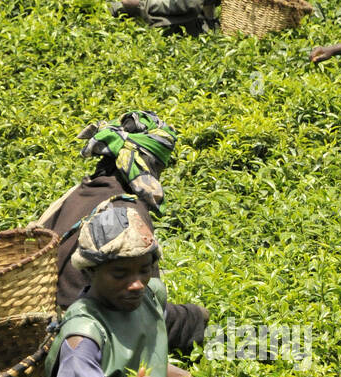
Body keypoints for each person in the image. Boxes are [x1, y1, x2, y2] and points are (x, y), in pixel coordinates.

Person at [46, 197, 221, 377]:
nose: (137, 283)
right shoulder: (83, 337)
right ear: (89, 271)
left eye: (144, 270)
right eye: (120, 274)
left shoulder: (150, 296)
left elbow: (136, 359)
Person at [34, 110, 210, 353]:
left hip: (55, 313)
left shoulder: (78, 192)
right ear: (149, 163)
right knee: (195, 319)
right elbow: (143, 300)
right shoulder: (127, 208)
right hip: (95, 320)